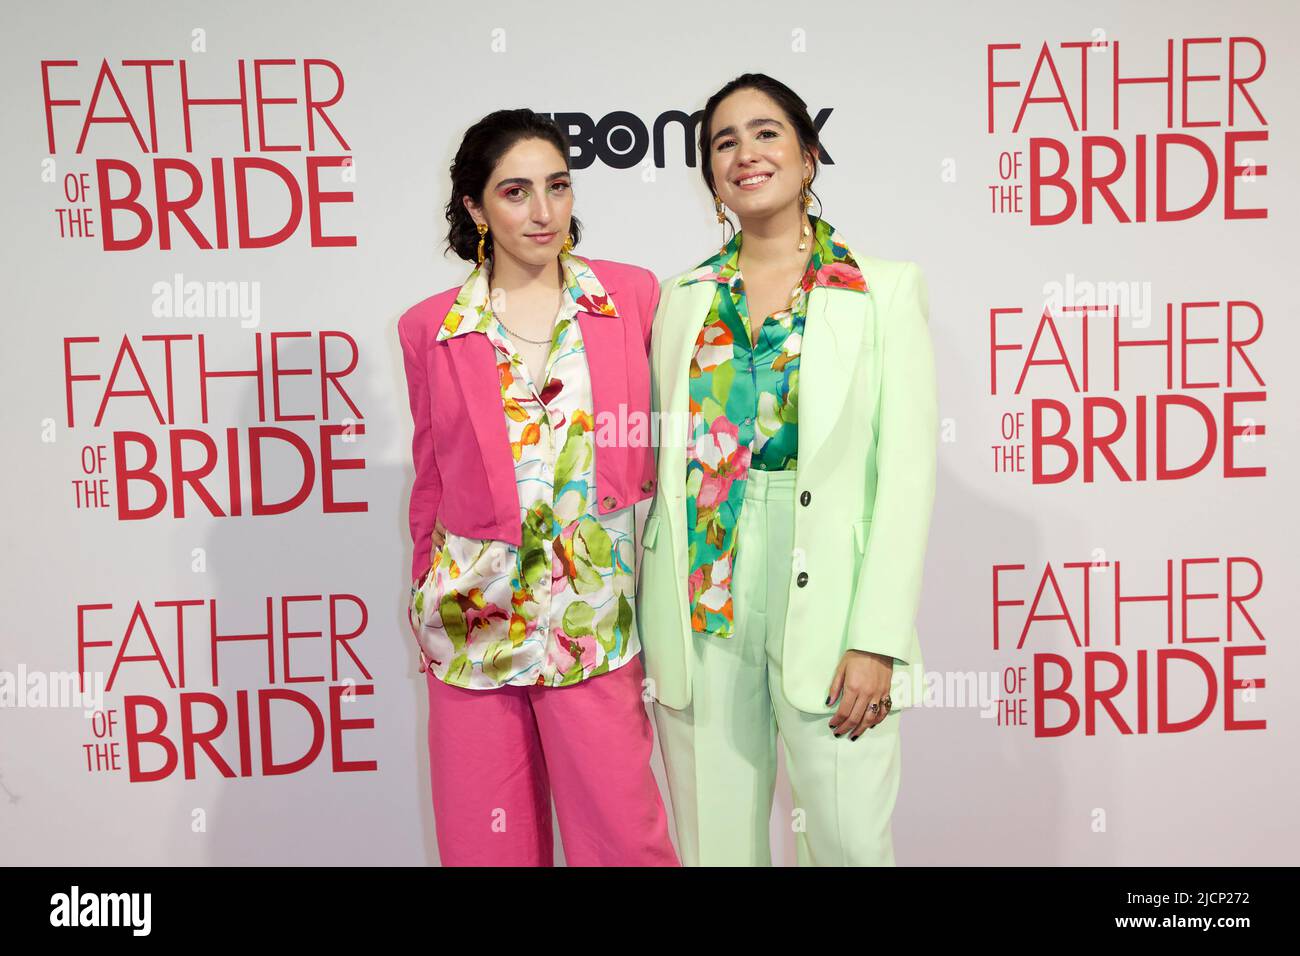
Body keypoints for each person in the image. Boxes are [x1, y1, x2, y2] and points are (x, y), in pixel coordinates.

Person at [637, 74, 938, 866]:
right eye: (723, 141)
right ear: (709, 174)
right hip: (704, 598)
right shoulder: (684, 297)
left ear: (808, 156)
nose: (745, 154)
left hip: (834, 603)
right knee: (716, 847)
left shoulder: (880, 291)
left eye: (766, 133)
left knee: (847, 845)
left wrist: (877, 641)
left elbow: (906, 478)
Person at [398, 108, 677, 867]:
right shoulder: (432, 328)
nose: (543, 211)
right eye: (515, 192)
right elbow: (433, 473)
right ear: (474, 208)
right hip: (472, 622)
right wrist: (423, 582)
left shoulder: (629, 299)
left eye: (557, 186)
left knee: (624, 840)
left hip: (594, 616)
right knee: (486, 847)